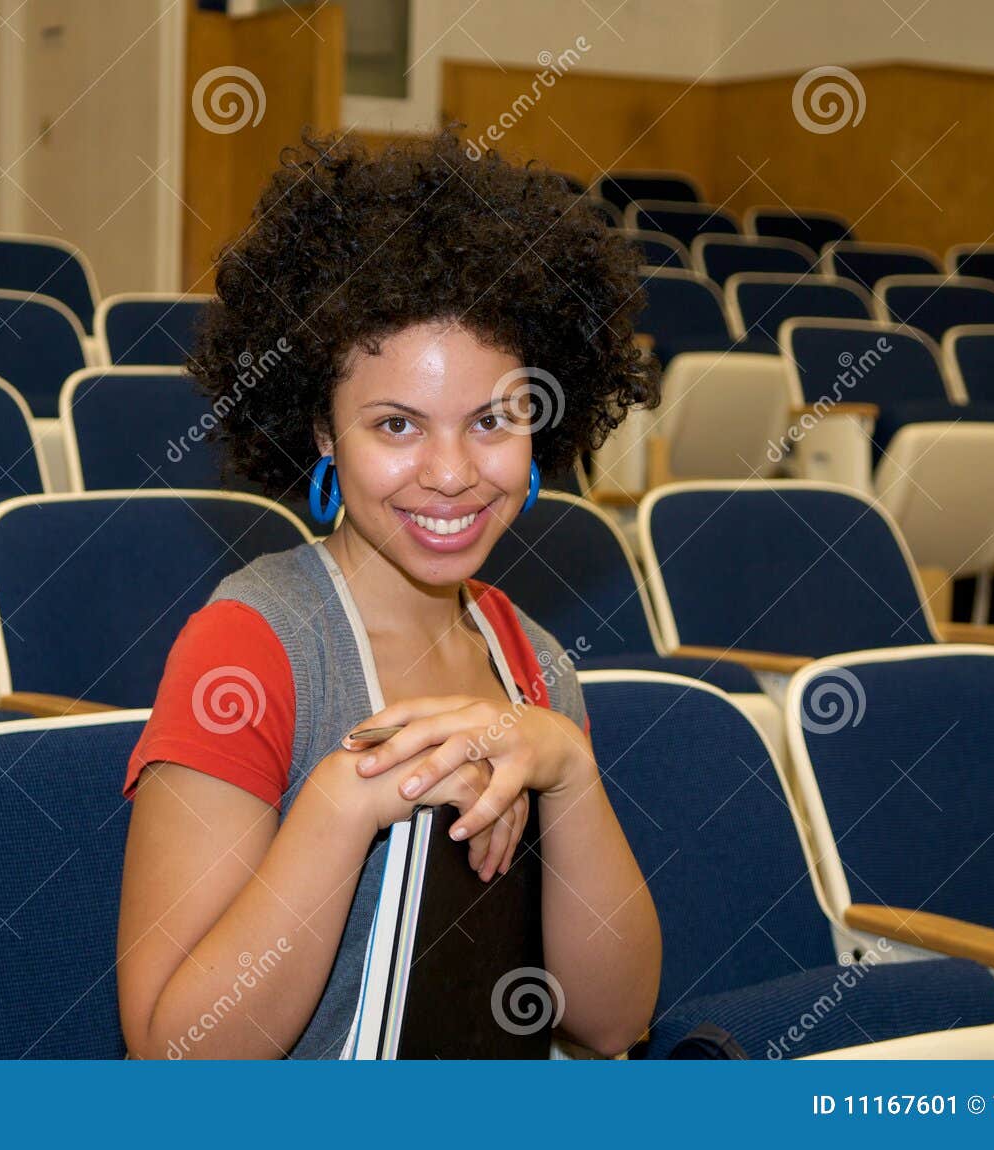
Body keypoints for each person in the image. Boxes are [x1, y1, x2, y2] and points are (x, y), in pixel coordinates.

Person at [116, 131, 662, 1059]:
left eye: (492, 421)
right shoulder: (248, 648)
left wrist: (568, 768)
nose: (450, 473)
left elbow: (613, 1022)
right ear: (323, 433)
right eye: (397, 425)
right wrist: (348, 801)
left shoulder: (535, 663)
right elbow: (176, 1059)